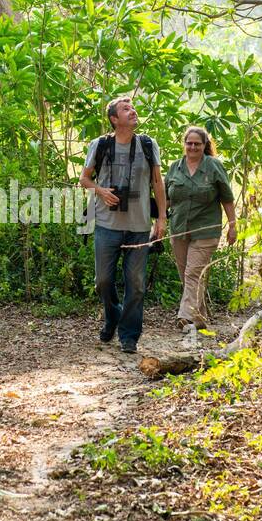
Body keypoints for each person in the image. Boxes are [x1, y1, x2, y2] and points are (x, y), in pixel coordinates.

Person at [79, 96, 167, 353]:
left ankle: (129, 336)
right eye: (125, 109)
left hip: (139, 225)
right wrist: (101, 190)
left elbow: (157, 183)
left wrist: (161, 218)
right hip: (106, 224)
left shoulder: (148, 145)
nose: (133, 111)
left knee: (136, 283)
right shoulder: (100, 145)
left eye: (133, 108)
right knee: (102, 281)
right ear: (114, 119)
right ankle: (113, 314)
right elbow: (84, 179)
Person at [163, 125, 236, 330]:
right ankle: (200, 317)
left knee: (192, 273)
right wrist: (157, 220)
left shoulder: (213, 166)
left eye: (197, 143)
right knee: (186, 274)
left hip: (206, 229)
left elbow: (227, 198)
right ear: (184, 144)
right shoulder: (175, 167)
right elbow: (166, 199)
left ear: (205, 146)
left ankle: (185, 317)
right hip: (179, 229)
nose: (193, 147)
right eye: (189, 143)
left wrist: (232, 226)